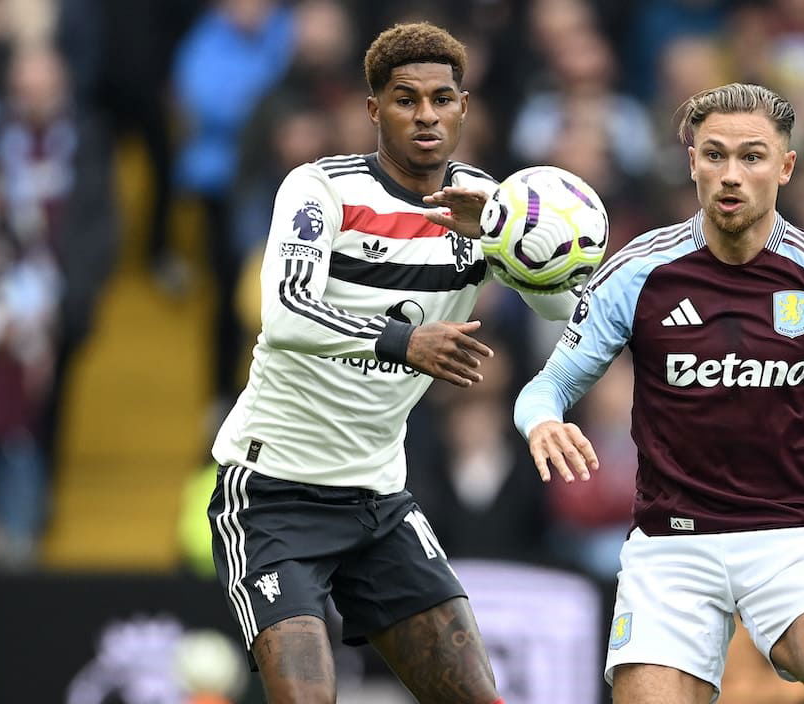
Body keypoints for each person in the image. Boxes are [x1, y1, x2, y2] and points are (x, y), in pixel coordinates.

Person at [514, 83, 804, 704]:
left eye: (751, 156)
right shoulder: (638, 273)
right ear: (691, 160)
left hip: (791, 534)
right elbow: (543, 389)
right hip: (671, 542)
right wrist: (541, 422)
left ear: (786, 166)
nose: (731, 174)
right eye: (714, 154)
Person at [206, 22, 577, 704]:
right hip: (273, 493)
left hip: (378, 502)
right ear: (374, 110)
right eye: (406, 99)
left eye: (442, 98)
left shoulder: (483, 203)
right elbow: (284, 312)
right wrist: (403, 341)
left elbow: (560, 310)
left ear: (465, 106)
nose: (427, 114)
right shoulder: (320, 190)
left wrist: (502, 239)